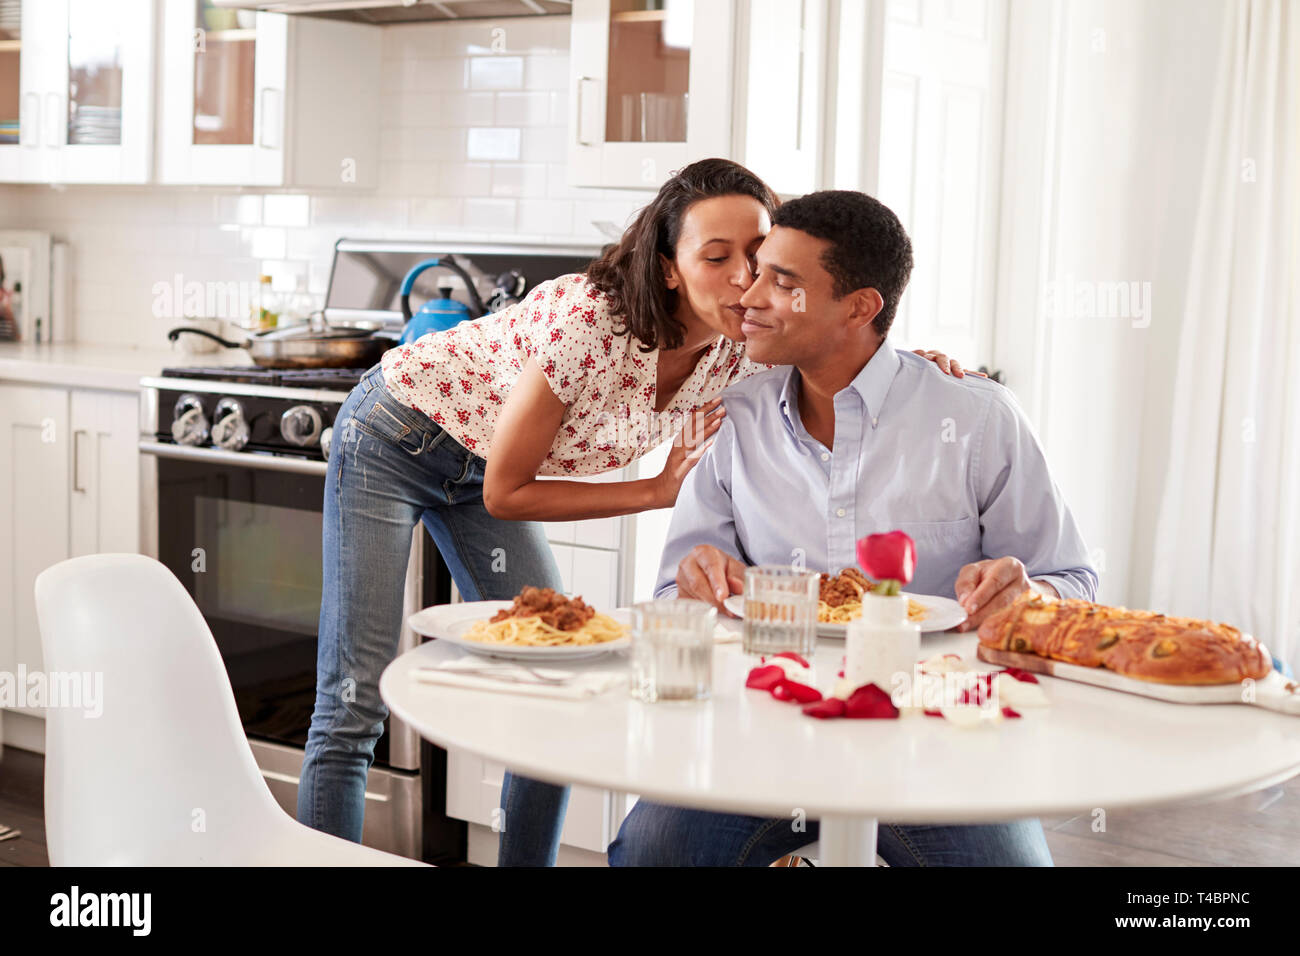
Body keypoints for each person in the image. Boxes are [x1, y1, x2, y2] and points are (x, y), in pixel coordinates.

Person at [297, 159, 977, 866]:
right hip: (399, 435)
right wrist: (654, 490)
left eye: (759, 254)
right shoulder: (593, 321)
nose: (746, 278)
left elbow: (841, 351)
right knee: (352, 704)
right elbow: (506, 491)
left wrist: (914, 368)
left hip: (493, 466)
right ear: (671, 269)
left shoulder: (741, 349)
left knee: (550, 690)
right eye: (717, 257)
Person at [607, 189, 1098, 867]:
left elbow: (1071, 580)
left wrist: (1030, 597)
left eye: (784, 282)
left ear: (860, 308)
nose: (749, 296)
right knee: (650, 852)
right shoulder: (731, 419)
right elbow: (675, 595)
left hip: (936, 741)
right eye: (756, 271)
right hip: (761, 736)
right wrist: (693, 586)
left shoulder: (977, 418)